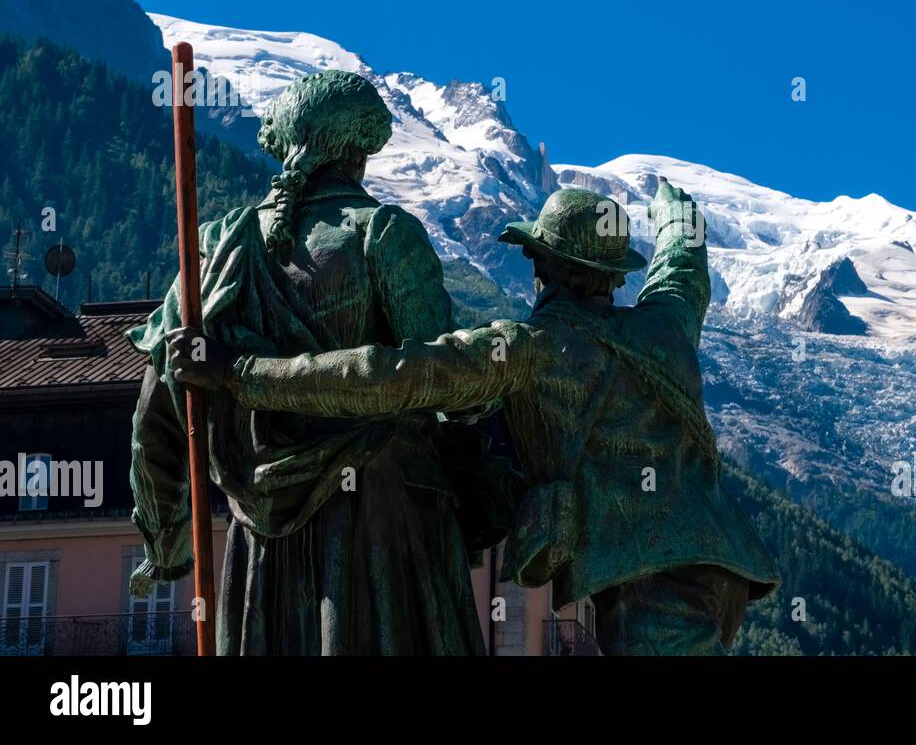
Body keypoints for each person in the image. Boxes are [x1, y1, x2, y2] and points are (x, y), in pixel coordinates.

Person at [169, 179, 780, 655]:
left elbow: (384, 375)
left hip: (650, 578)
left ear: (542, 267)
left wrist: (239, 374)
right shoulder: (665, 325)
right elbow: (683, 263)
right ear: (614, 277)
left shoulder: (525, 349)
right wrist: (675, 211)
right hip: (721, 566)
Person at [128, 70, 499, 655]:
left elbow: (157, 413)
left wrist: (166, 543)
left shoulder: (218, 250)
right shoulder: (384, 233)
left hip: (261, 534)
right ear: (361, 153)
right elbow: (437, 380)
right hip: (384, 519)